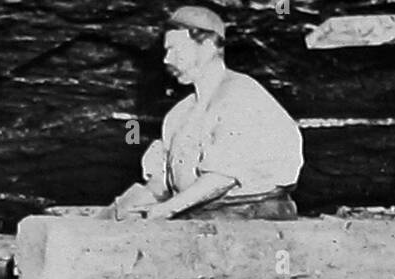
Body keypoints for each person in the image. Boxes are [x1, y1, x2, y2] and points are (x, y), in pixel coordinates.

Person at [113, 4, 303, 221]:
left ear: (208, 45)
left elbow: (222, 178)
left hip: (250, 218)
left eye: (175, 49)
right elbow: (161, 184)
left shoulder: (242, 95)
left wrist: (168, 209)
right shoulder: (179, 113)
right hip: (198, 214)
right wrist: (118, 211)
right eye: (167, 51)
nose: (167, 60)